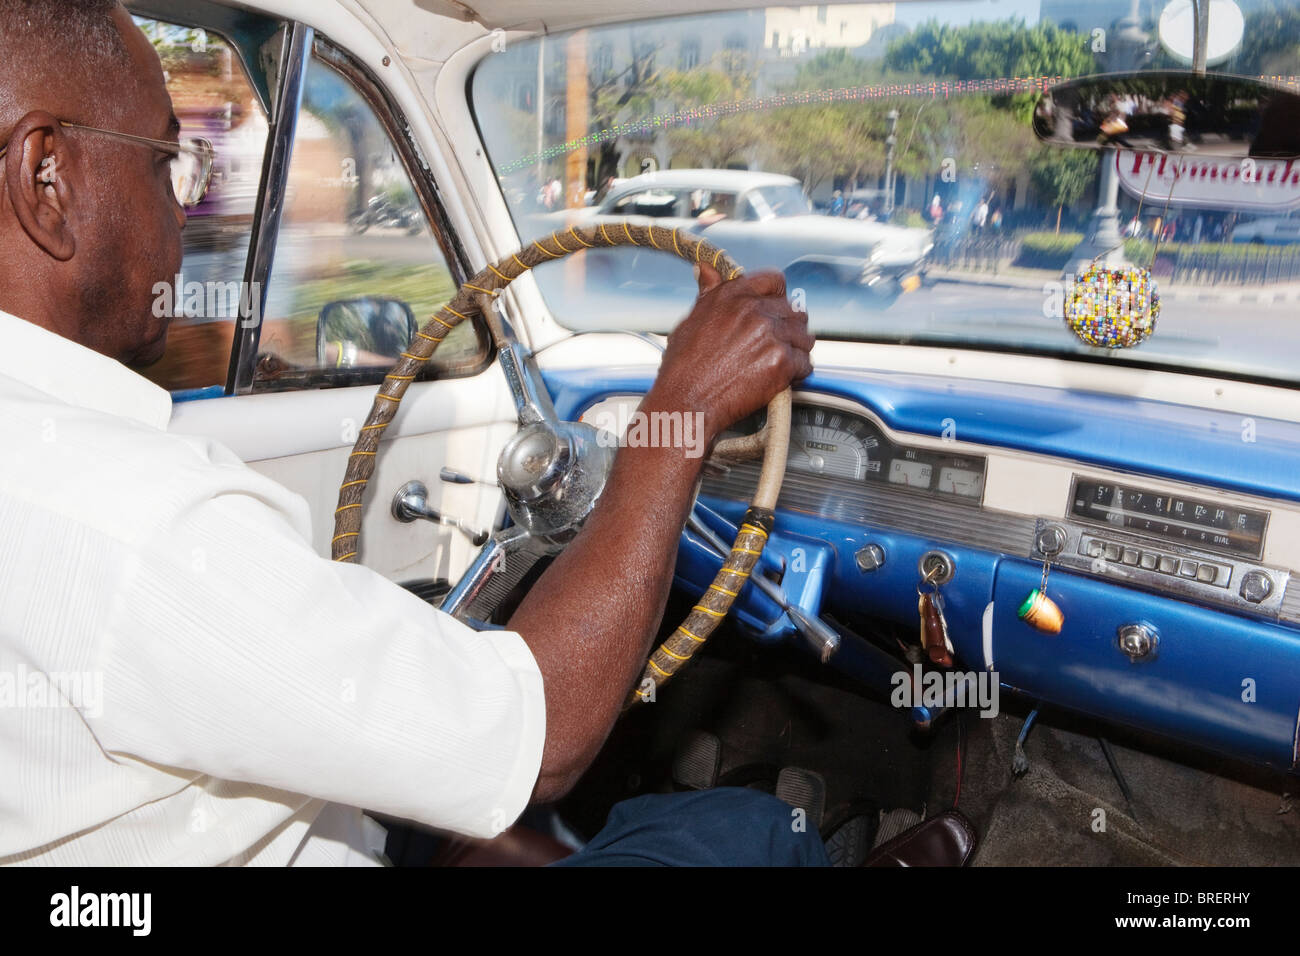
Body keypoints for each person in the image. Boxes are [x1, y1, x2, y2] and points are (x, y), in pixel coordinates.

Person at [0, 1, 821, 866]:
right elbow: (539, 737)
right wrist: (675, 419)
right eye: (169, 158)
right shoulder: (137, 526)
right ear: (45, 178)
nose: (185, 206)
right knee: (743, 829)